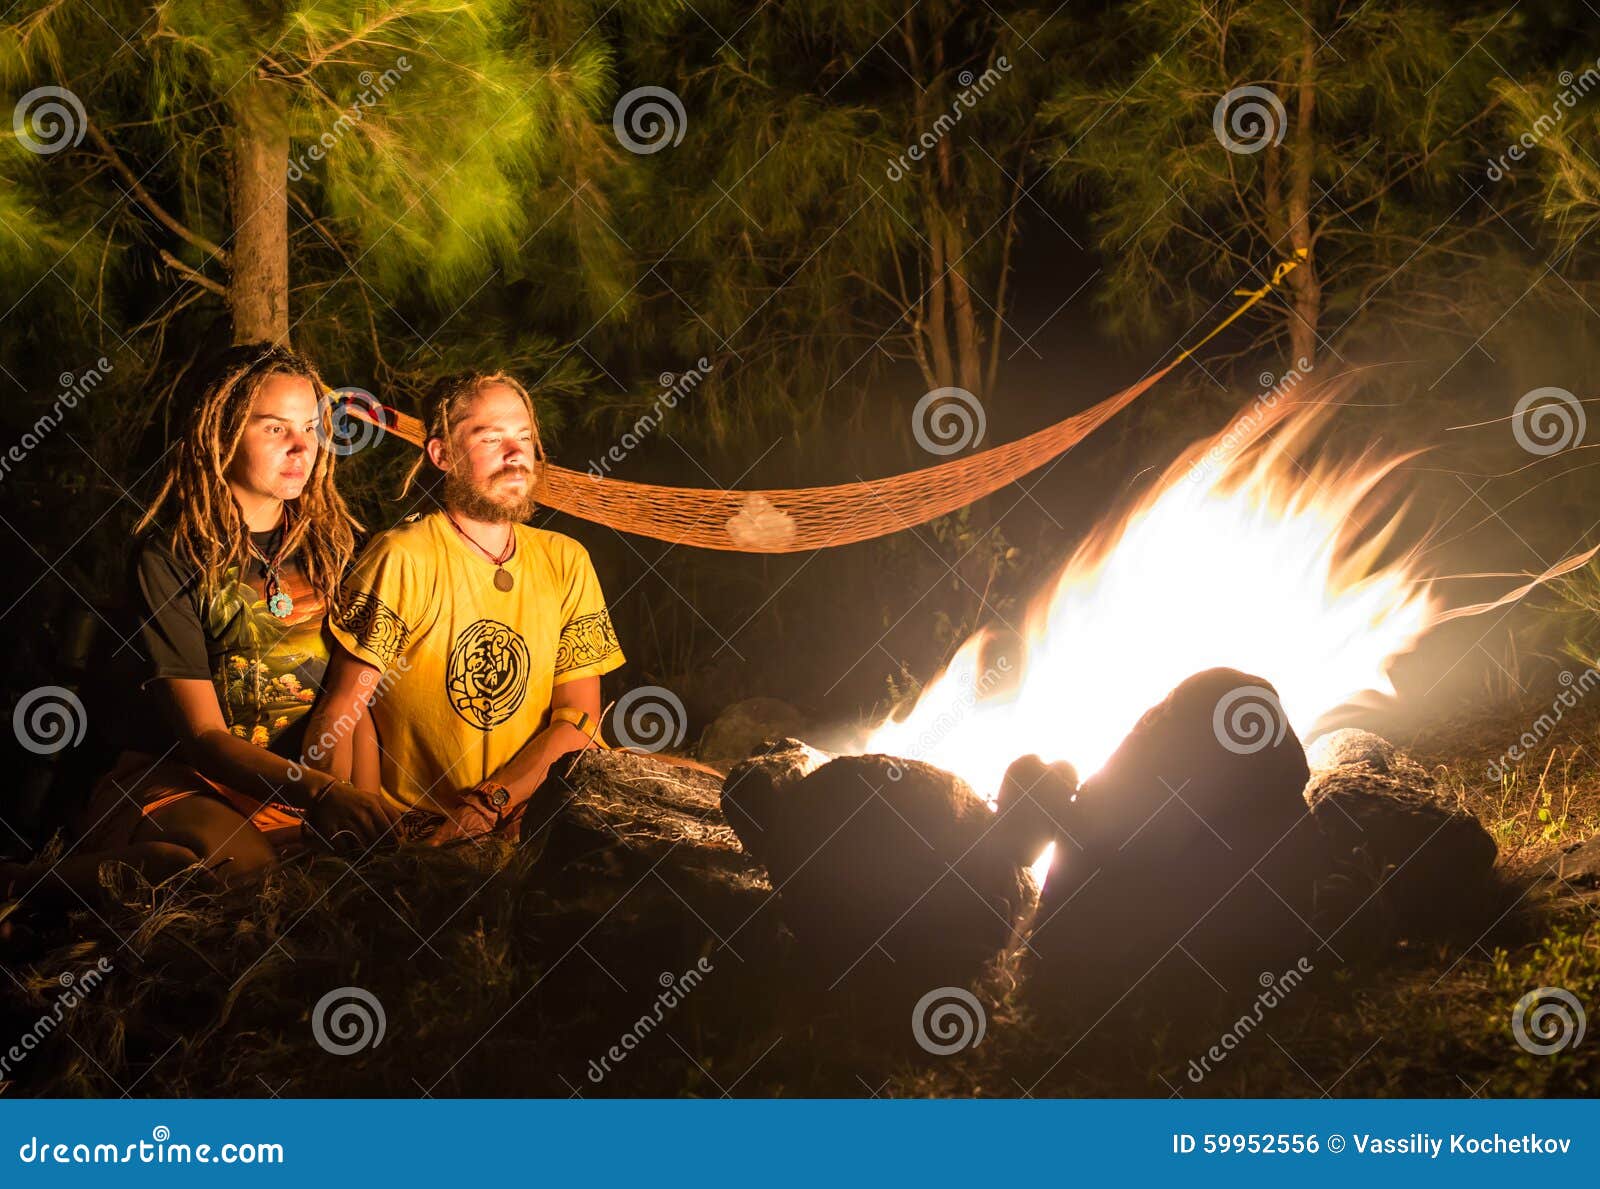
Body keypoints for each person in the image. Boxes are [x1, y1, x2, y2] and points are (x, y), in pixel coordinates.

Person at [0, 344, 404, 922]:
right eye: (274, 428)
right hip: (184, 777)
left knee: (351, 888)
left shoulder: (333, 548)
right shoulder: (171, 557)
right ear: (220, 437)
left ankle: (166, 865)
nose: (301, 447)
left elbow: (352, 696)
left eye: (312, 427)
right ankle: (24, 884)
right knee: (250, 880)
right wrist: (318, 794)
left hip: (300, 784)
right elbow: (203, 738)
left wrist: (346, 793)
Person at [308, 370, 625, 837]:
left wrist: (491, 802)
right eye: (491, 438)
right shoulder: (403, 557)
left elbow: (577, 720)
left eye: (524, 437)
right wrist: (348, 824)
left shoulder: (566, 560)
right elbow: (344, 711)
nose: (516, 454)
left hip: (526, 818)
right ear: (442, 454)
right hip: (417, 833)